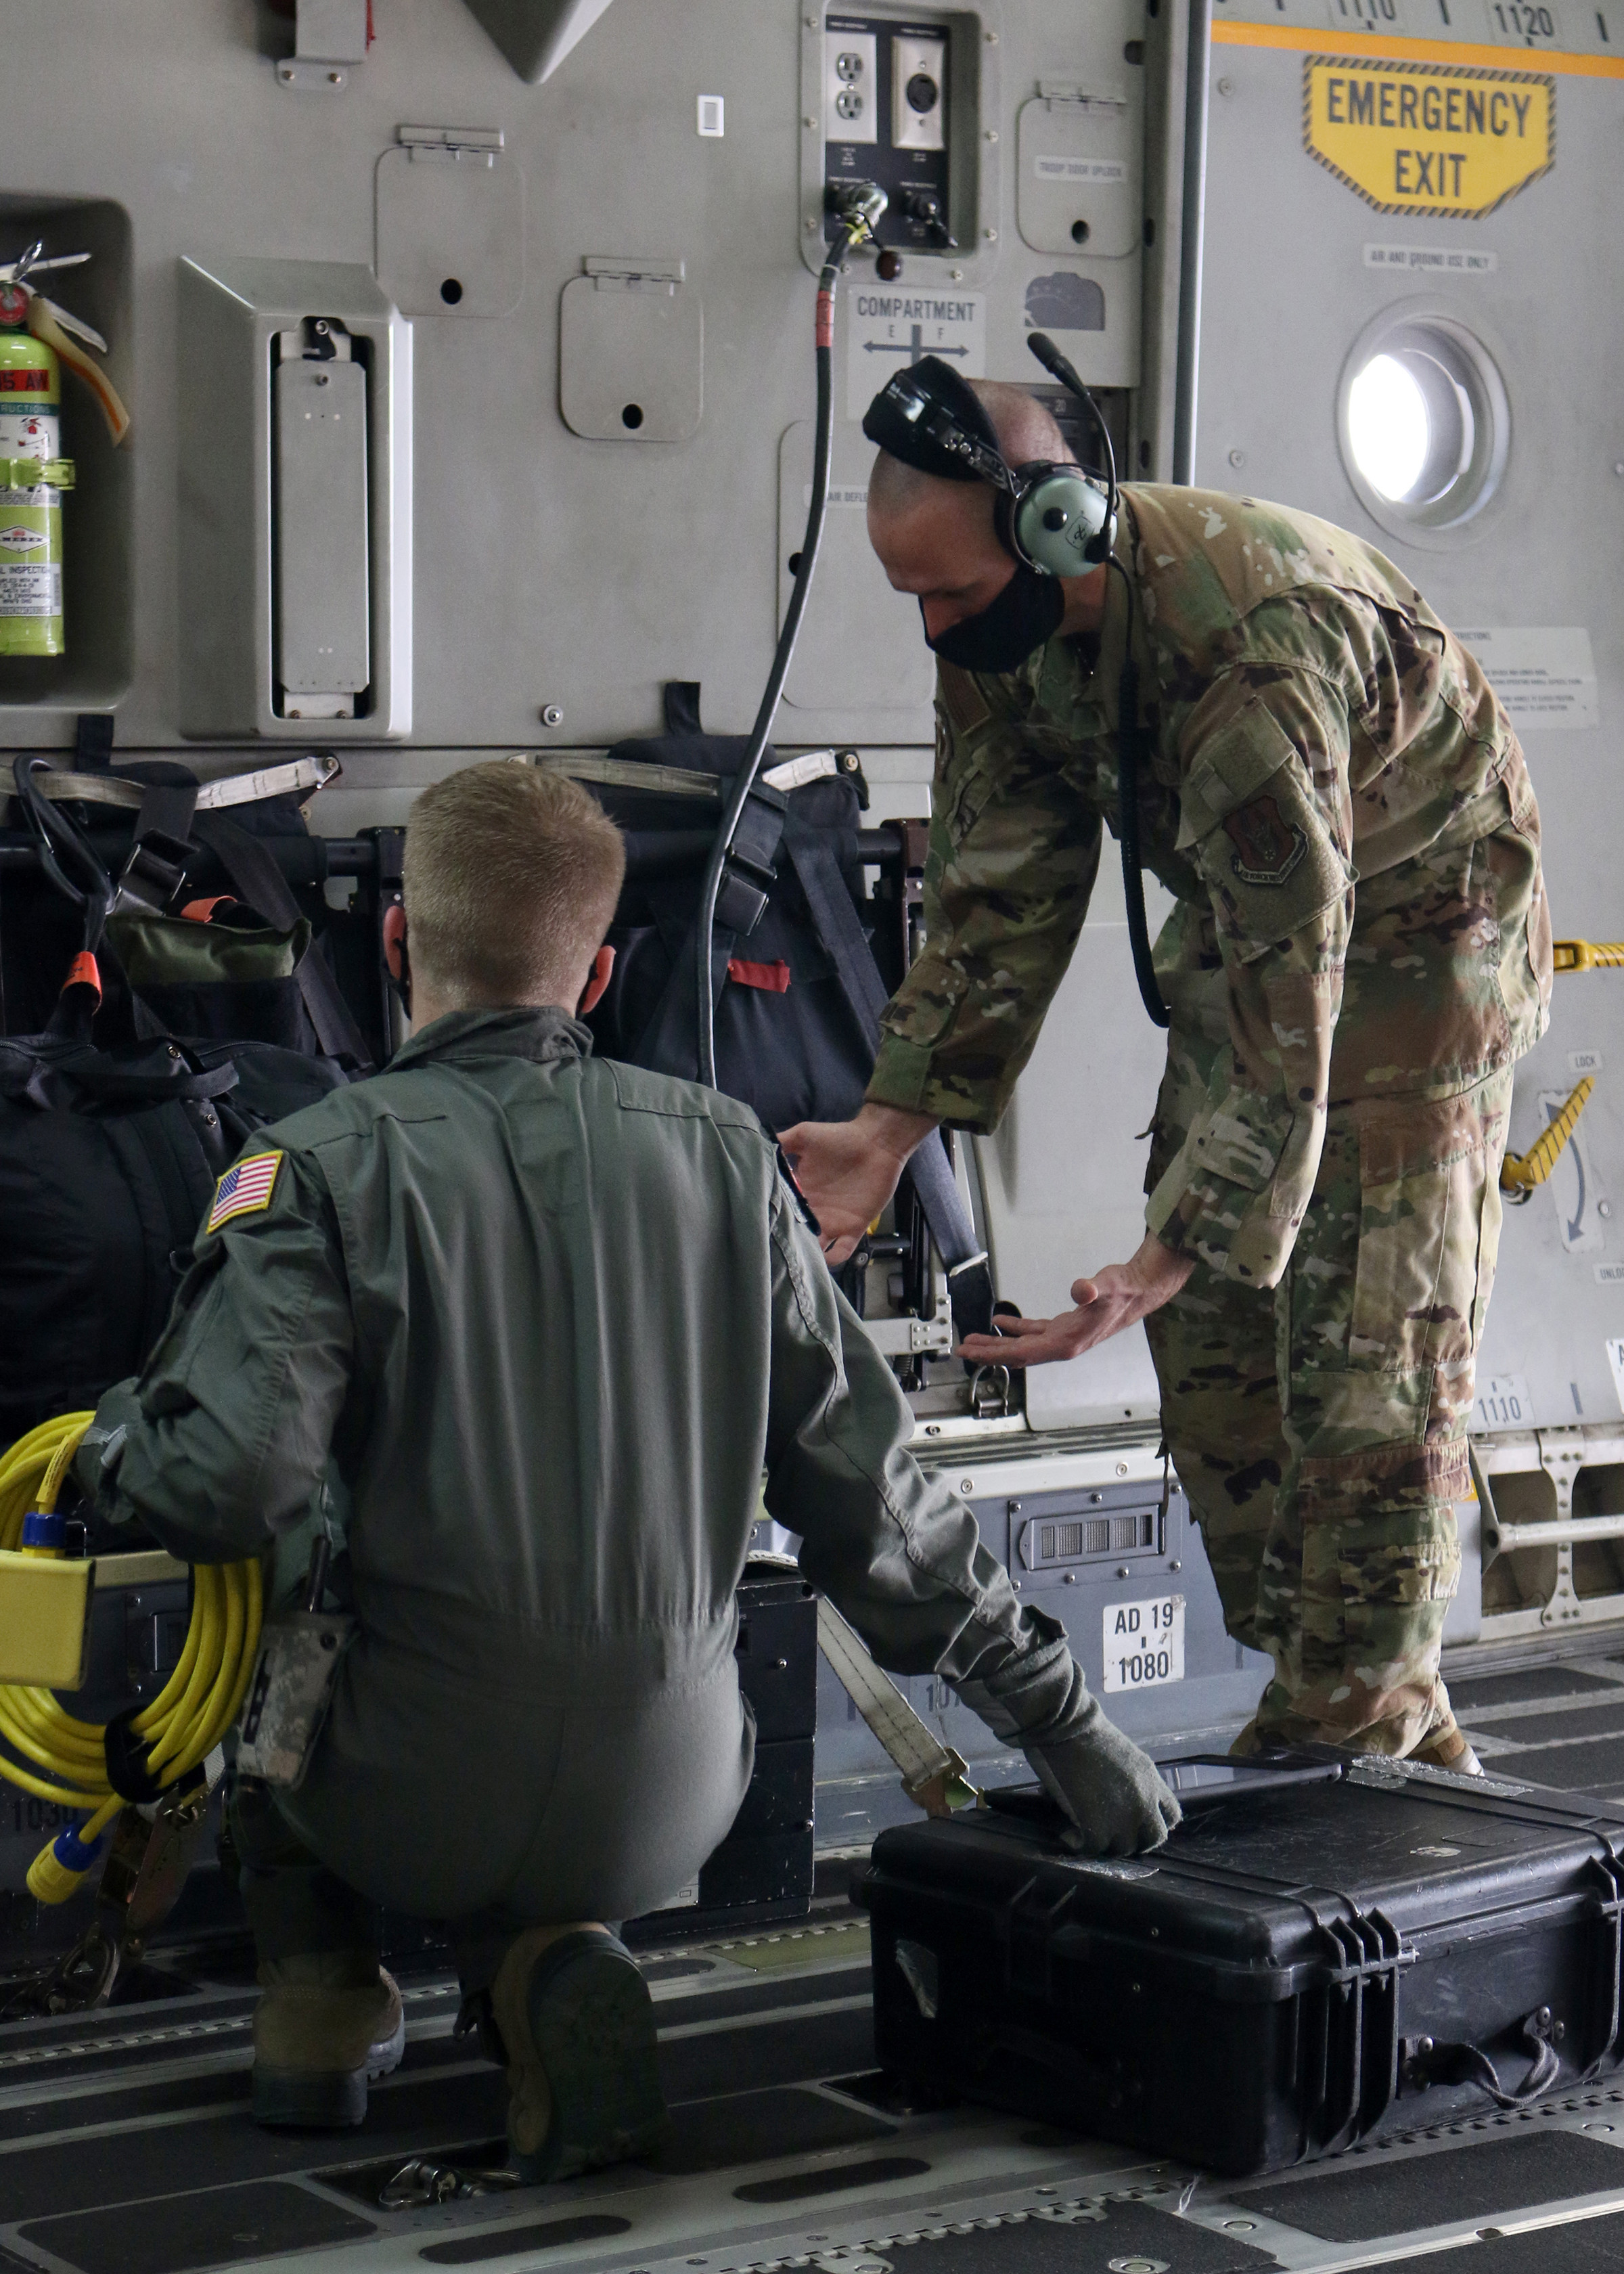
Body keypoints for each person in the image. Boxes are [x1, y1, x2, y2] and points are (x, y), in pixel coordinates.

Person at [74, 759, 1180, 2179]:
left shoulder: (315, 1168)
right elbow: (875, 1500)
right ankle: (560, 1950)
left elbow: (229, 1483)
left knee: (280, 1594)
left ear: (398, 946)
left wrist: (114, 1444)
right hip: (676, 1801)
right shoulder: (727, 1163)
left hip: (391, 1803)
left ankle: (320, 2003)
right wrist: (1066, 1722)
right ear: (596, 977)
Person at [782, 360, 1552, 1778]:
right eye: (917, 602)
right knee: (1217, 1363)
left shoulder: (1245, 642)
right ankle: (1354, 1696)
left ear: (1056, 522)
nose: (939, 628)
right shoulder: (999, 641)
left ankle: (1359, 1719)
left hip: (1421, 946)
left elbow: (1300, 951)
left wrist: (1181, 1240)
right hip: (1259, 936)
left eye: (953, 593)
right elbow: (997, 883)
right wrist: (890, 1128)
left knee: (1371, 1359)